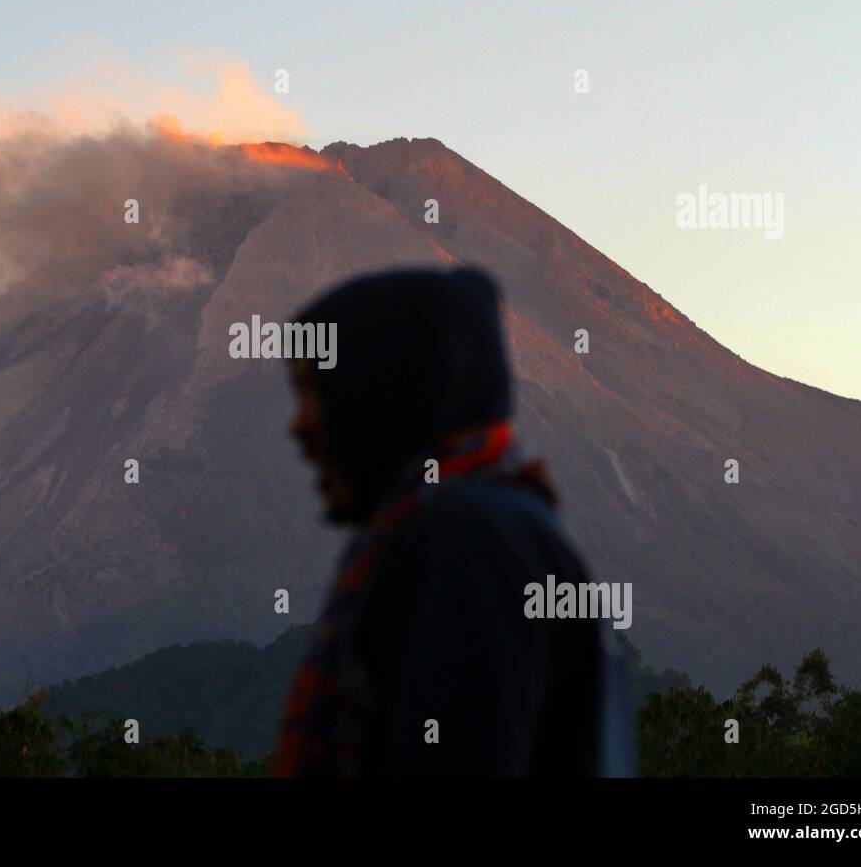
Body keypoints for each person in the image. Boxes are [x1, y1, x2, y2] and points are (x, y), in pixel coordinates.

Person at [271, 267, 633, 776]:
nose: (300, 425)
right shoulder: (496, 524)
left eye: (316, 390)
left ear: (382, 391)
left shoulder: (470, 541)